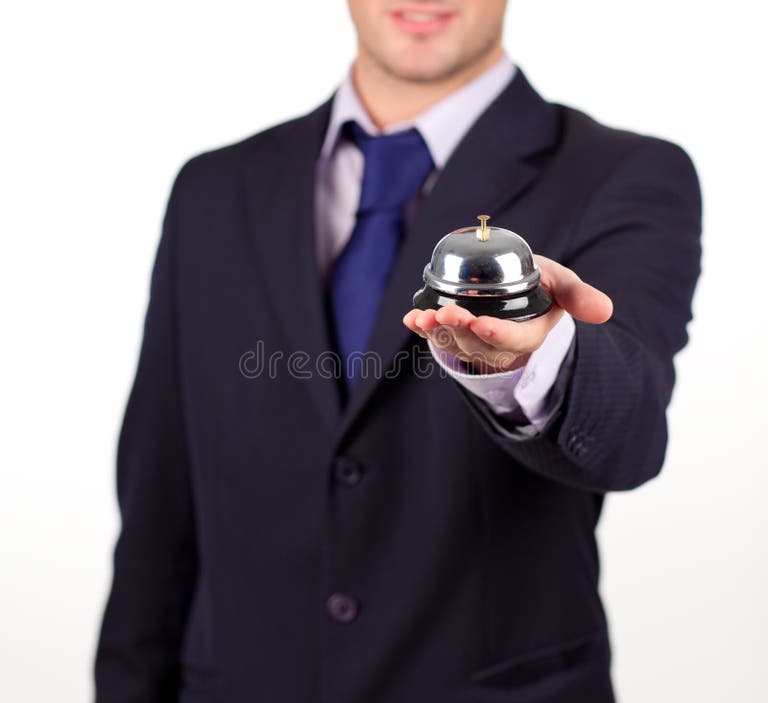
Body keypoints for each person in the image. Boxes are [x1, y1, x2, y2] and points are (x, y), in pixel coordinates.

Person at [94, 1, 702, 702]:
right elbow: (159, 501)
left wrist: (535, 362)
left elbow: (629, 427)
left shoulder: (624, 173)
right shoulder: (212, 190)